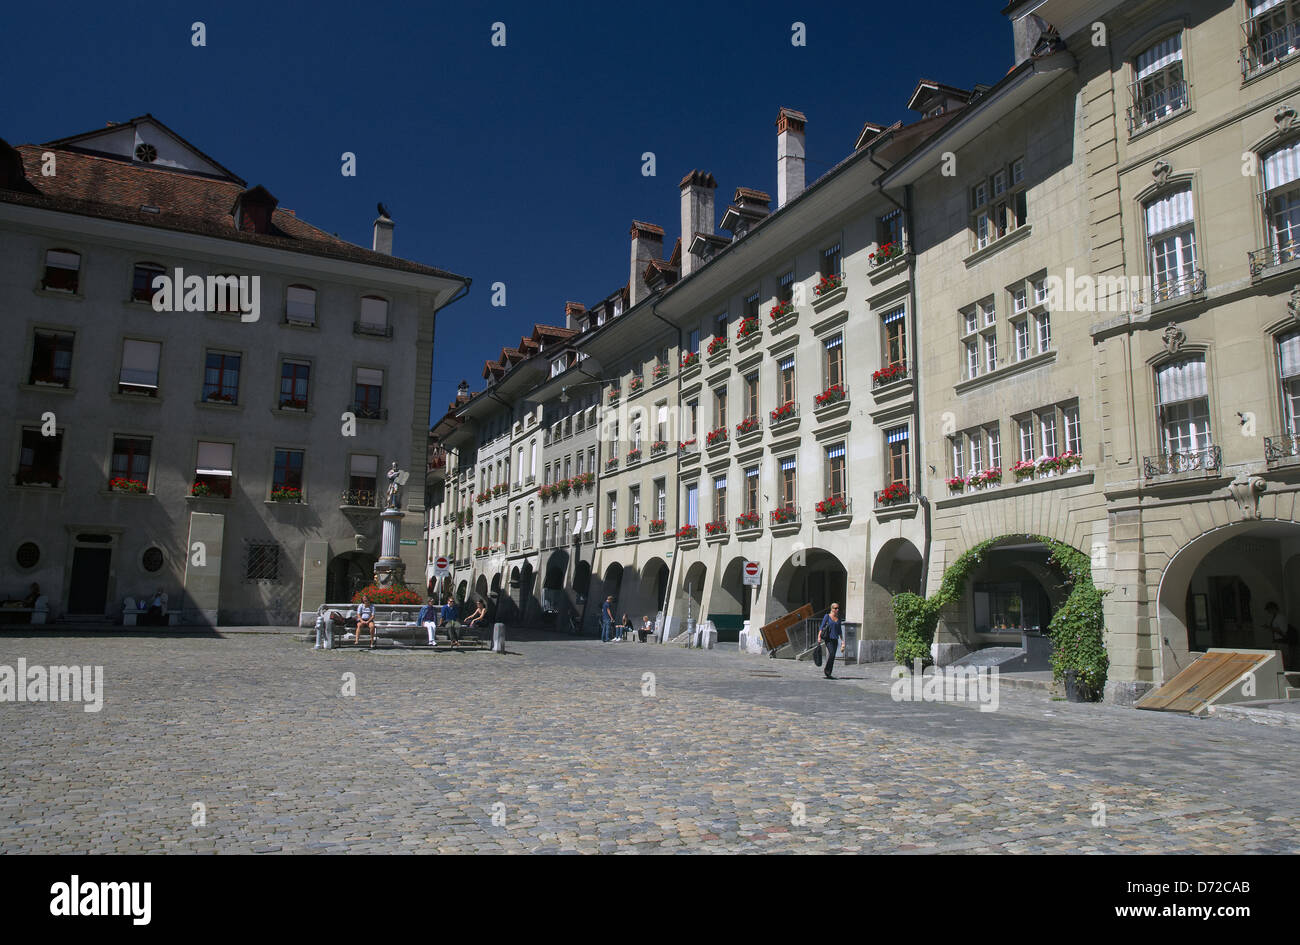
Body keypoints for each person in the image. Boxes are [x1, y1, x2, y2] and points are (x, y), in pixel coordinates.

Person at [818, 603, 845, 680]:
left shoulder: (838, 619)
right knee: (832, 654)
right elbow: (822, 626)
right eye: (835, 608)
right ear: (832, 609)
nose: (837, 610)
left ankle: (829, 673)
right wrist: (819, 636)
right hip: (828, 639)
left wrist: (842, 641)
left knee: (832, 656)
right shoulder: (827, 616)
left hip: (835, 639)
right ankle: (827, 671)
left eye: (838, 608)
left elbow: (839, 631)